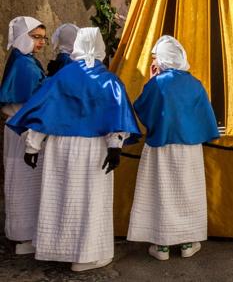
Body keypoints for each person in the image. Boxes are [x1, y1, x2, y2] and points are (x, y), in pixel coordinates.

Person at [8, 27, 140, 272]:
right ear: (100, 47)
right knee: (91, 200)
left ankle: (58, 249)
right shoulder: (109, 80)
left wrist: (32, 147)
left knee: (60, 197)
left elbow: (43, 112)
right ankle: (86, 255)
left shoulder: (62, 77)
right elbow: (118, 117)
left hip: (61, 147)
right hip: (94, 150)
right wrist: (115, 147)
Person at [127, 36, 220, 261]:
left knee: (161, 193)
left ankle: (162, 246)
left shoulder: (157, 83)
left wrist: (151, 80)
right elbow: (205, 116)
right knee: (188, 193)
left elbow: (142, 109)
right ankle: (188, 242)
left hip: (161, 146)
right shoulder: (195, 83)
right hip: (189, 148)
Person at [1, 16, 47, 255]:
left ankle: (23, 235)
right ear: (22, 37)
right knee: (24, 180)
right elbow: (32, 100)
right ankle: (24, 235)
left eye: (43, 38)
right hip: (24, 129)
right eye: (35, 37)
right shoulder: (25, 66)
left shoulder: (23, 61)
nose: (40, 43)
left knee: (22, 180)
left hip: (20, 127)